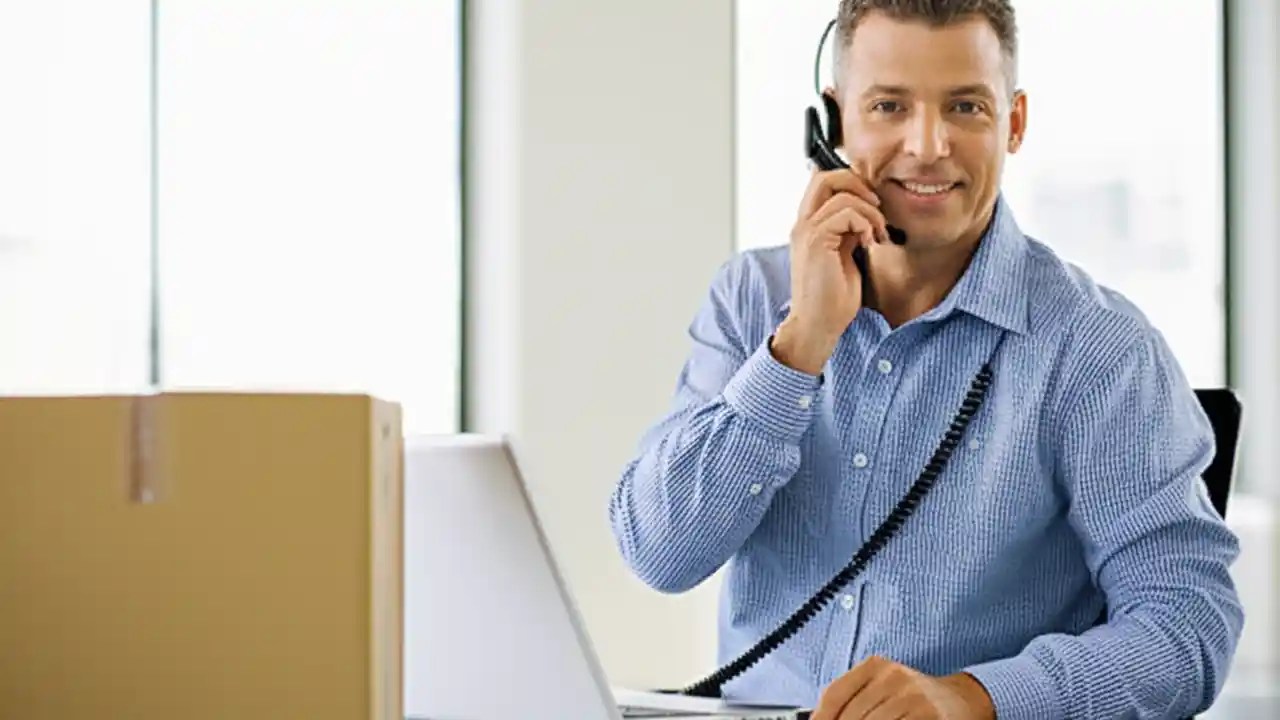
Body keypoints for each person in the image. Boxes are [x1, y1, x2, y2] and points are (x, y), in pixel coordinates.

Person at [607, 1, 1244, 718]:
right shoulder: (753, 299)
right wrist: (800, 345)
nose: (928, 145)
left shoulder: (1097, 349)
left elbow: (1187, 628)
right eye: (888, 106)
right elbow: (660, 555)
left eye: (966, 106)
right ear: (833, 122)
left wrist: (974, 700)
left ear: (1014, 123)